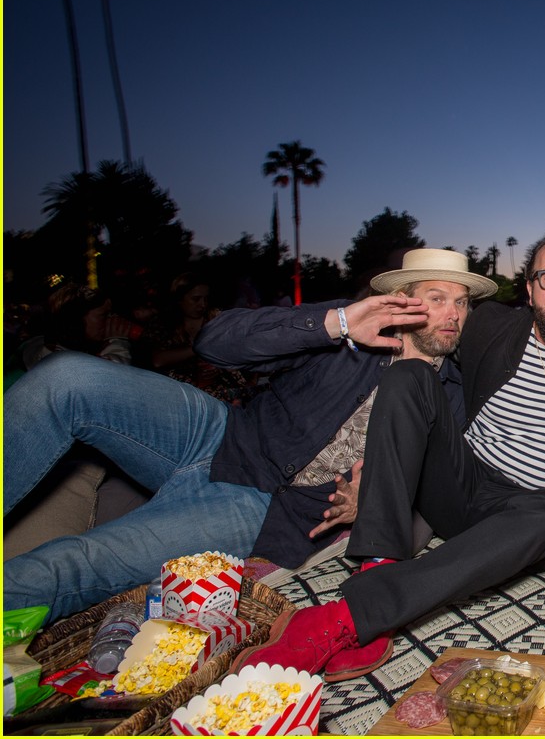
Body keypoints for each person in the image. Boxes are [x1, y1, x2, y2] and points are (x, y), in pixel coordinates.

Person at [2, 251, 470, 622]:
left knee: (72, 565)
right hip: (219, 431)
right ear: (402, 298)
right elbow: (214, 343)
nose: (452, 313)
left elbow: (431, 504)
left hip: (260, 504)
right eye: (436, 297)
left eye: (462, 301)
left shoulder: (450, 398)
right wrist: (338, 322)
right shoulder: (351, 325)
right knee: (66, 378)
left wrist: (373, 504)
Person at [233, 233, 545, 680]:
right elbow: (430, 319)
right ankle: (378, 563)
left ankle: (353, 615)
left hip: (527, 515)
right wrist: (345, 319)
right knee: (411, 374)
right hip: (462, 483)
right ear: (529, 290)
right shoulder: (491, 326)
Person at [147, 272, 254, 405]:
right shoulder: (163, 324)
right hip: (182, 393)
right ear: (179, 299)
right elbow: (158, 360)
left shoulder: (216, 318)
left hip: (226, 390)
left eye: (206, 299)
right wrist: (200, 348)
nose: (202, 305)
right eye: (196, 299)